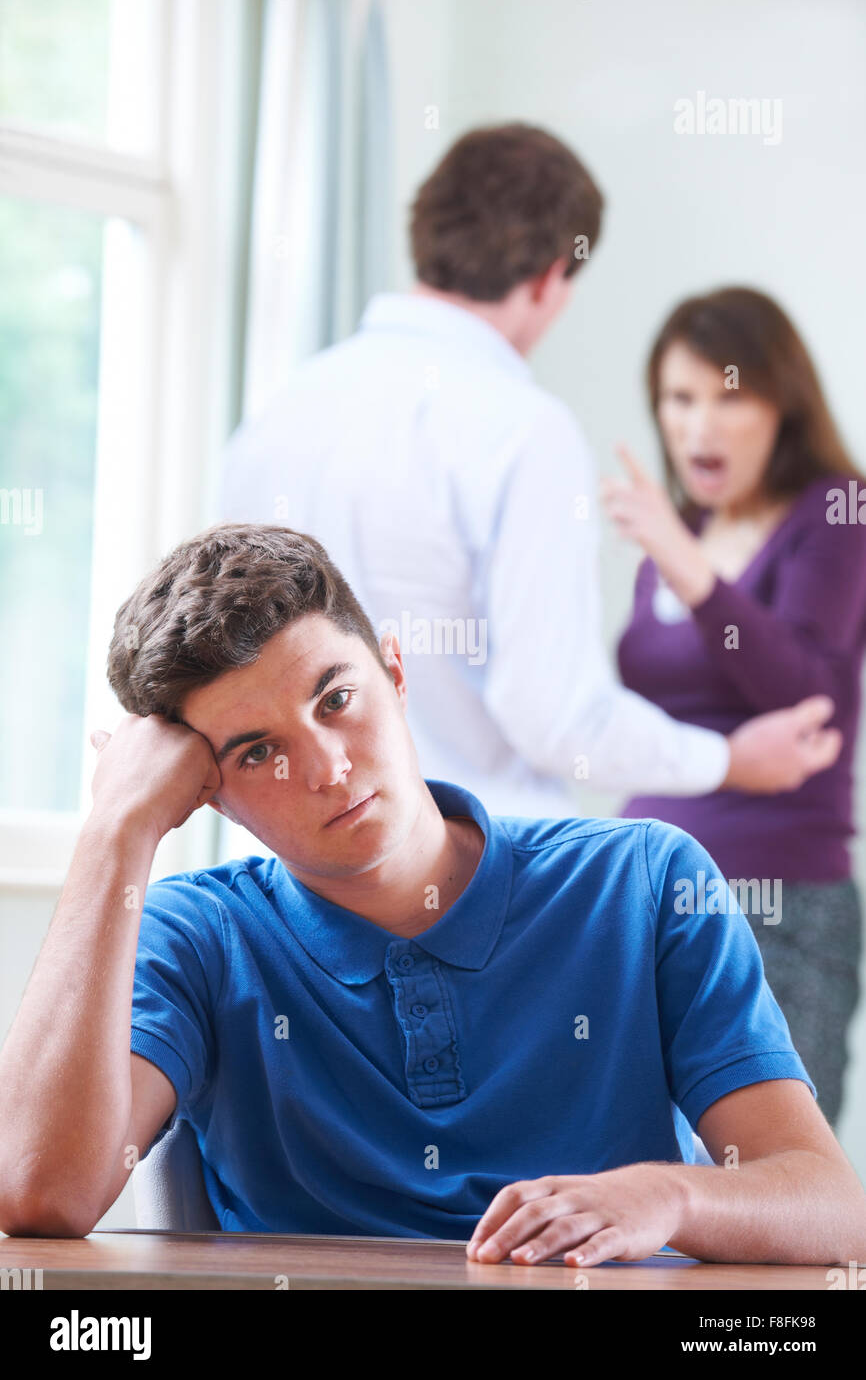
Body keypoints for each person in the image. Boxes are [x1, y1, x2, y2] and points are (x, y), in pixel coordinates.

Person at [1, 522, 864, 1267]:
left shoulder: (642, 881)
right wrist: (117, 829)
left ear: (397, 672)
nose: (328, 768)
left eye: (336, 699)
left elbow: (833, 1205)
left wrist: (669, 1198)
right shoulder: (199, 938)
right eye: (258, 752)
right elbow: (38, 1193)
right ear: (205, 790)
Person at [219, 123, 839, 817]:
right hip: (471, 866)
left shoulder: (274, 415)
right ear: (551, 277)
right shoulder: (522, 429)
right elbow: (553, 715)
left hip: (288, 864)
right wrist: (725, 759)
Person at [602, 286, 866, 1128]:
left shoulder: (831, 512)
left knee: (775, 1177)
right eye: (679, 399)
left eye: (729, 396)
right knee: (639, 1161)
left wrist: (685, 562)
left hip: (777, 899)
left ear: (782, 406)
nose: (699, 427)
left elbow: (805, 694)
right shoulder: (676, 539)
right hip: (644, 892)